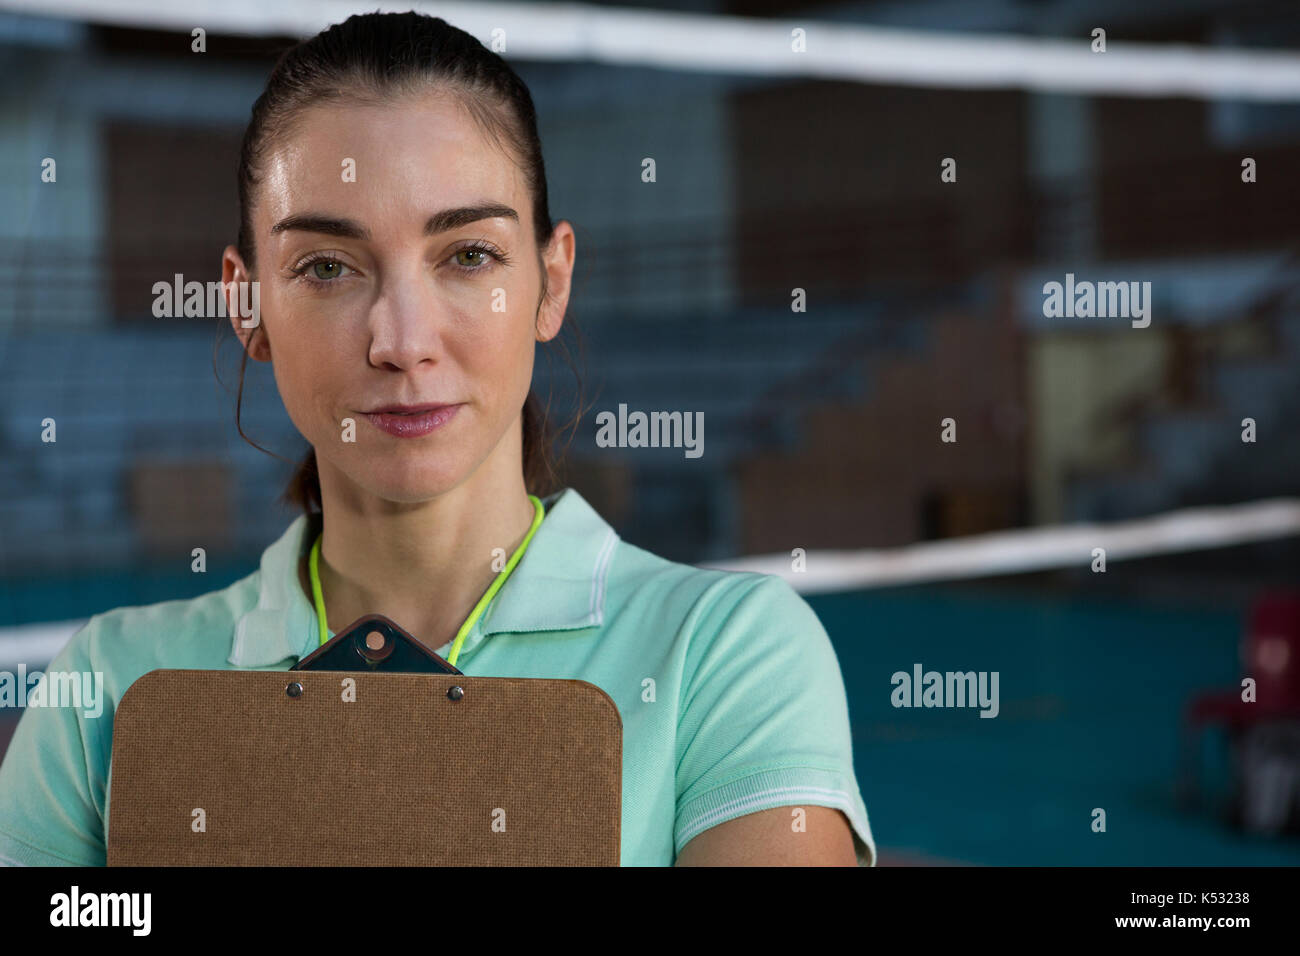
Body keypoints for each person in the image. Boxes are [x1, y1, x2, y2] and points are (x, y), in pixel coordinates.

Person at [0, 11, 874, 867]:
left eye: (468, 256)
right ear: (247, 302)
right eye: (327, 267)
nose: (402, 340)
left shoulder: (727, 657)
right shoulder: (106, 687)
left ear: (551, 281)